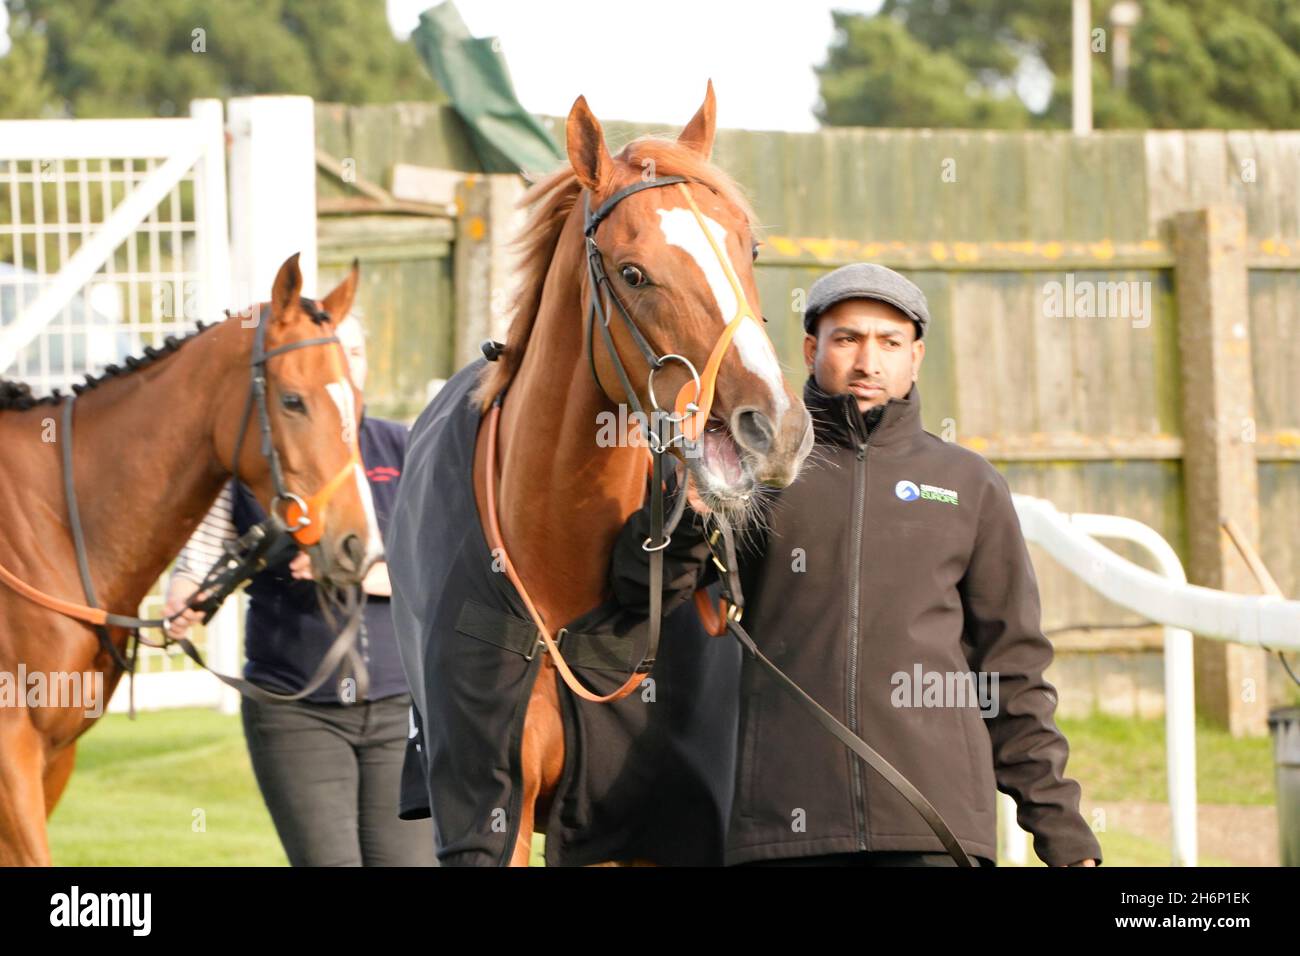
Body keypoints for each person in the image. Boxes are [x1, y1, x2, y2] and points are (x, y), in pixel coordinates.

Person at [611, 263, 1102, 867]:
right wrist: (684, 501)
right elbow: (642, 596)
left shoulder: (969, 485)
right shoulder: (756, 470)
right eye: (848, 339)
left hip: (935, 829)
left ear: (916, 357)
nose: (869, 361)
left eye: (890, 342)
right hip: (782, 830)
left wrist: (1066, 839)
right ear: (812, 348)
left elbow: (1013, 672)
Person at [163, 312, 436, 867]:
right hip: (294, 709)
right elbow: (203, 548)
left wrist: (364, 573)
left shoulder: (403, 445)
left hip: (397, 705)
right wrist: (184, 591)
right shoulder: (260, 458)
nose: (347, 366)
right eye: (336, 352)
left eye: (355, 353)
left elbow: (444, 565)